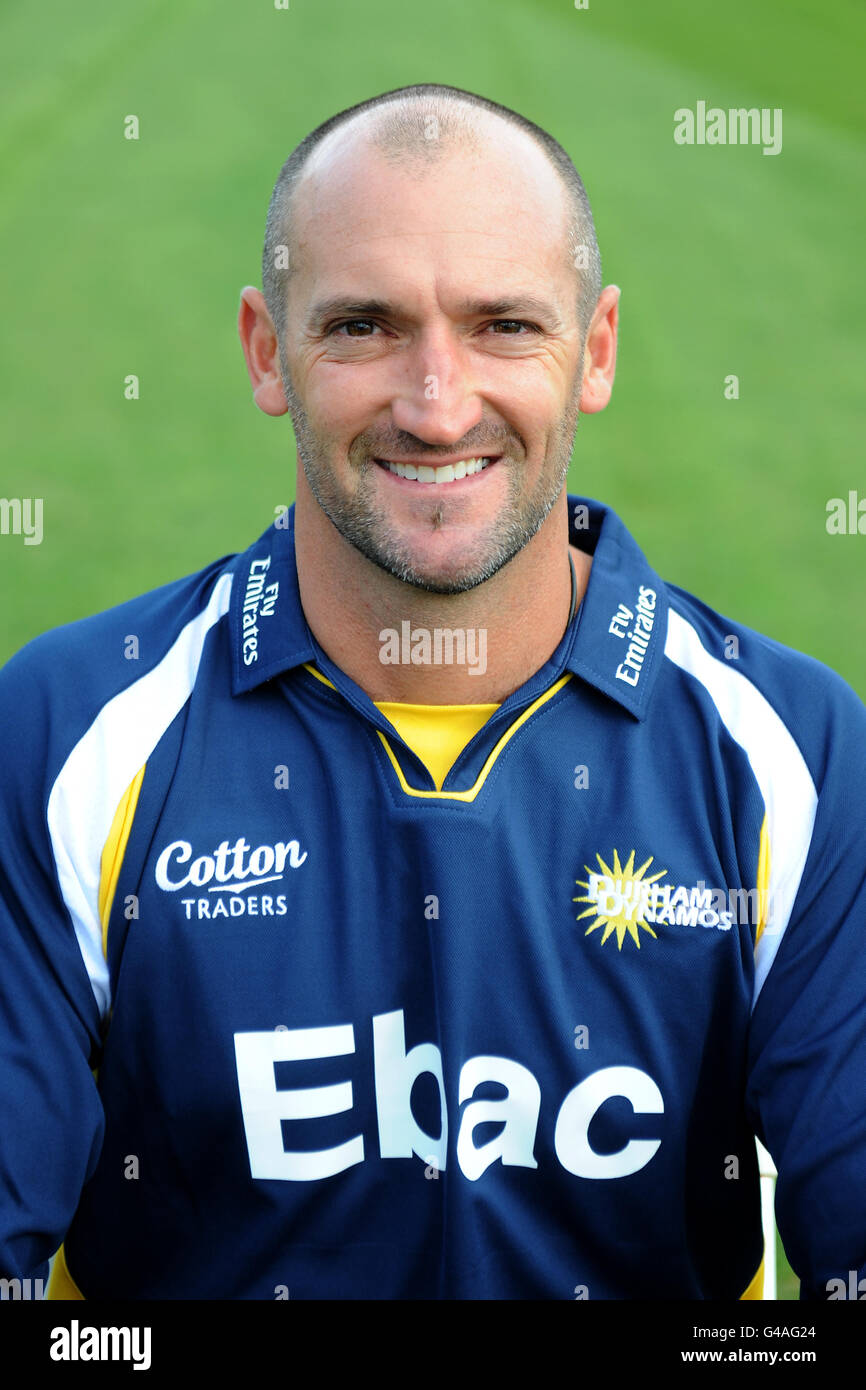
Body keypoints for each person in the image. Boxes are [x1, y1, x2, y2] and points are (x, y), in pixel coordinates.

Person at [1, 83, 864, 1302]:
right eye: (362, 326)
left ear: (596, 350)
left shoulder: (796, 754)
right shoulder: (62, 733)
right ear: (266, 350)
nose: (436, 402)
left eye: (505, 325)